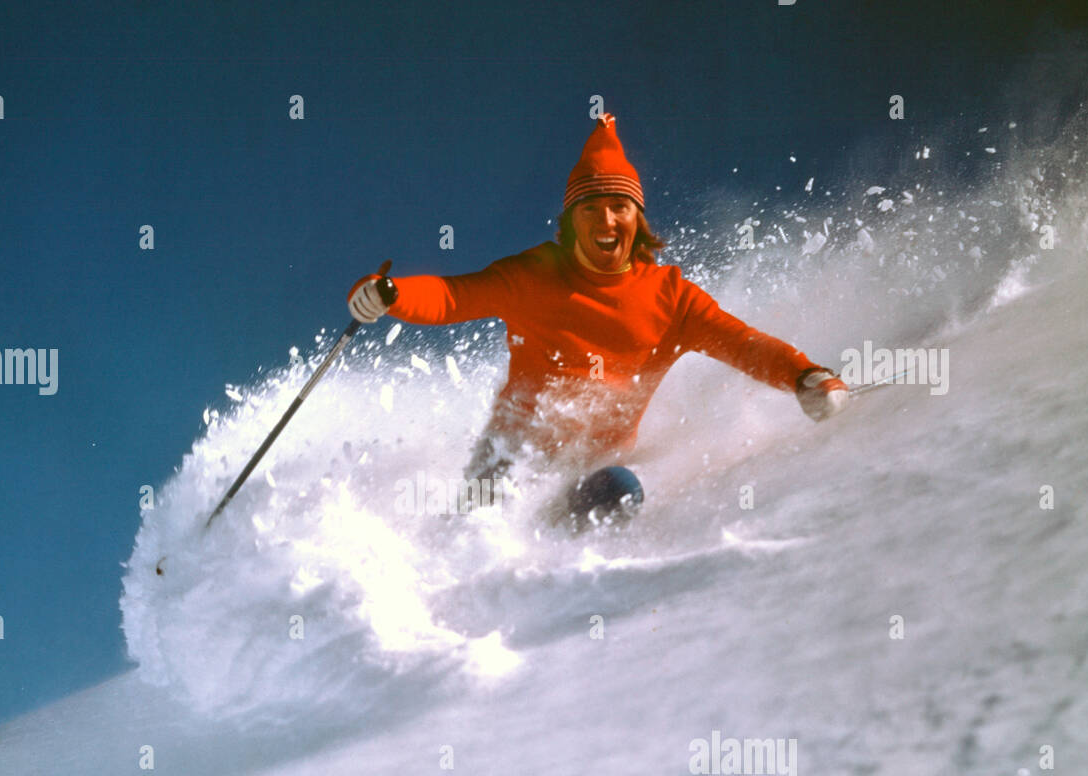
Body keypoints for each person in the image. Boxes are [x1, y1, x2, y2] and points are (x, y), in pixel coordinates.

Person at [348, 114, 847, 522]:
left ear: (637, 218)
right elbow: (452, 297)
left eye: (618, 207)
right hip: (506, 461)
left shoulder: (670, 298)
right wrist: (389, 294)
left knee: (621, 490)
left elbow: (742, 344)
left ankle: (561, 594)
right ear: (571, 221)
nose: (605, 222)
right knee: (484, 519)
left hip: (594, 468)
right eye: (590, 209)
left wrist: (804, 376)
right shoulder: (535, 275)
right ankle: (457, 563)